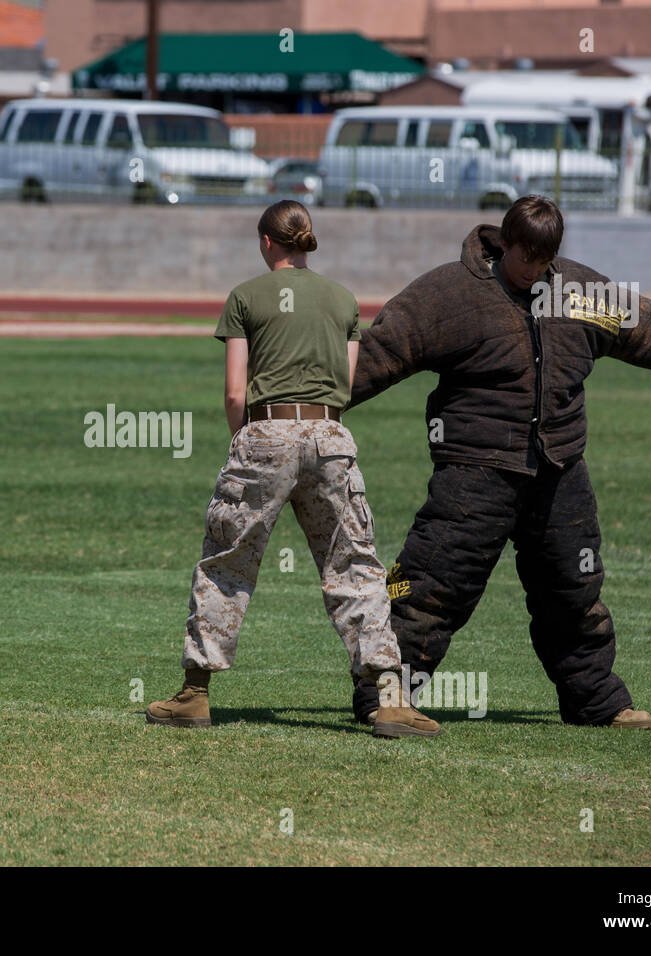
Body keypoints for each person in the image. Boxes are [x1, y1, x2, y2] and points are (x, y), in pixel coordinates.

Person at [347, 196, 651, 729]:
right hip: (473, 473)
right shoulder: (447, 293)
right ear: (505, 243)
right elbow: (378, 353)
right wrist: (293, 403)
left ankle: (596, 702)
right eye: (525, 258)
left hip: (560, 471)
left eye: (545, 260)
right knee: (423, 585)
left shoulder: (581, 293)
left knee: (575, 589)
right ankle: (384, 696)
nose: (534, 270)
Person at [145, 200, 438, 739]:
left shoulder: (244, 297)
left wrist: (247, 441)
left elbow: (236, 391)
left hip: (266, 432)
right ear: (306, 243)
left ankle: (195, 692)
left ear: (265, 242)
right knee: (356, 565)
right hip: (330, 436)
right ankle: (390, 699)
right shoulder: (343, 299)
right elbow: (344, 390)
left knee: (228, 561)